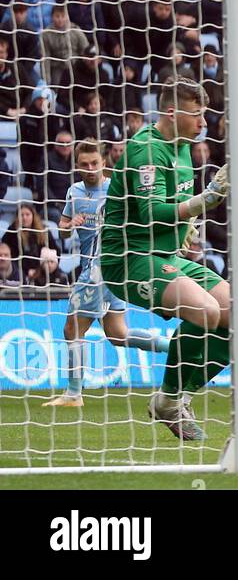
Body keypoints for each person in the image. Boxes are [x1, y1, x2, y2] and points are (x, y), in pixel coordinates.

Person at [99, 78, 232, 441]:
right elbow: (151, 211)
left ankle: (174, 398)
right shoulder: (146, 148)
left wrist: (189, 223)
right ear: (172, 112)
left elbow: (176, 207)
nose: (204, 122)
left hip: (166, 256)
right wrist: (202, 203)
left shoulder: (185, 147)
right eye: (197, 114)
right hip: (128, 258)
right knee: (205, 311)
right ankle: (171, 402)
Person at [42, 141, 172, 408]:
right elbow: (64, 229)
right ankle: (176, 347)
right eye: (85, 164)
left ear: (103, 162)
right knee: (117, 333)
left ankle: (73, 394)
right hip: (107, 270)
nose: (90, 169)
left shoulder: (117, 188)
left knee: (72, 329)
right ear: (77, 165)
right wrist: (69, 224)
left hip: (101, 267)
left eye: (95, 163)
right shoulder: (74, 192)